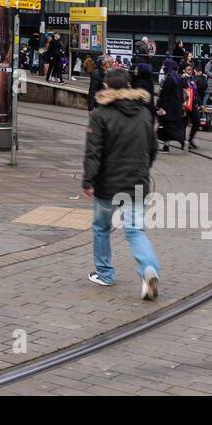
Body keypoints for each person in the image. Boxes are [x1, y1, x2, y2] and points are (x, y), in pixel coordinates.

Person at [82, 68, 161, 299]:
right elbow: (152, 149)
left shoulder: (100, 115)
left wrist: (89, 180)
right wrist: (143, 170)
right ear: (129, 86)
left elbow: (93, 153)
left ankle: (105, 274)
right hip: (136, 182)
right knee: (135, 230)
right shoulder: (145, 114)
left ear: (106, 87)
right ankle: (149, 270)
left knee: (101, 228)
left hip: (107, 184)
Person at [155, 58, 186, 152]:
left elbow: (165, 94)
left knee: (167, 127)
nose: (163, 67)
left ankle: (183, 142)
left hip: (168, 107)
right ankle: (166, 146)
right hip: (176, 107)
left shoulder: (169, 78)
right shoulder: (178, 77)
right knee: (167, 126)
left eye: (164, 65)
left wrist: (161, 107)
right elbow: (181, 94)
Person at [184, 64, 206, 150]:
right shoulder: (182, 79)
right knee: (184, 124)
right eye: (188, 70)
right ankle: (184, 142)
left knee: (197, 121)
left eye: (191, 70)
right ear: (184, 70)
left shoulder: (192, 79)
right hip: (185, 105)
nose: (190, 71)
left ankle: (190, 140)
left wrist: (201, 104)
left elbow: (195, 93)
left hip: (192, 104)